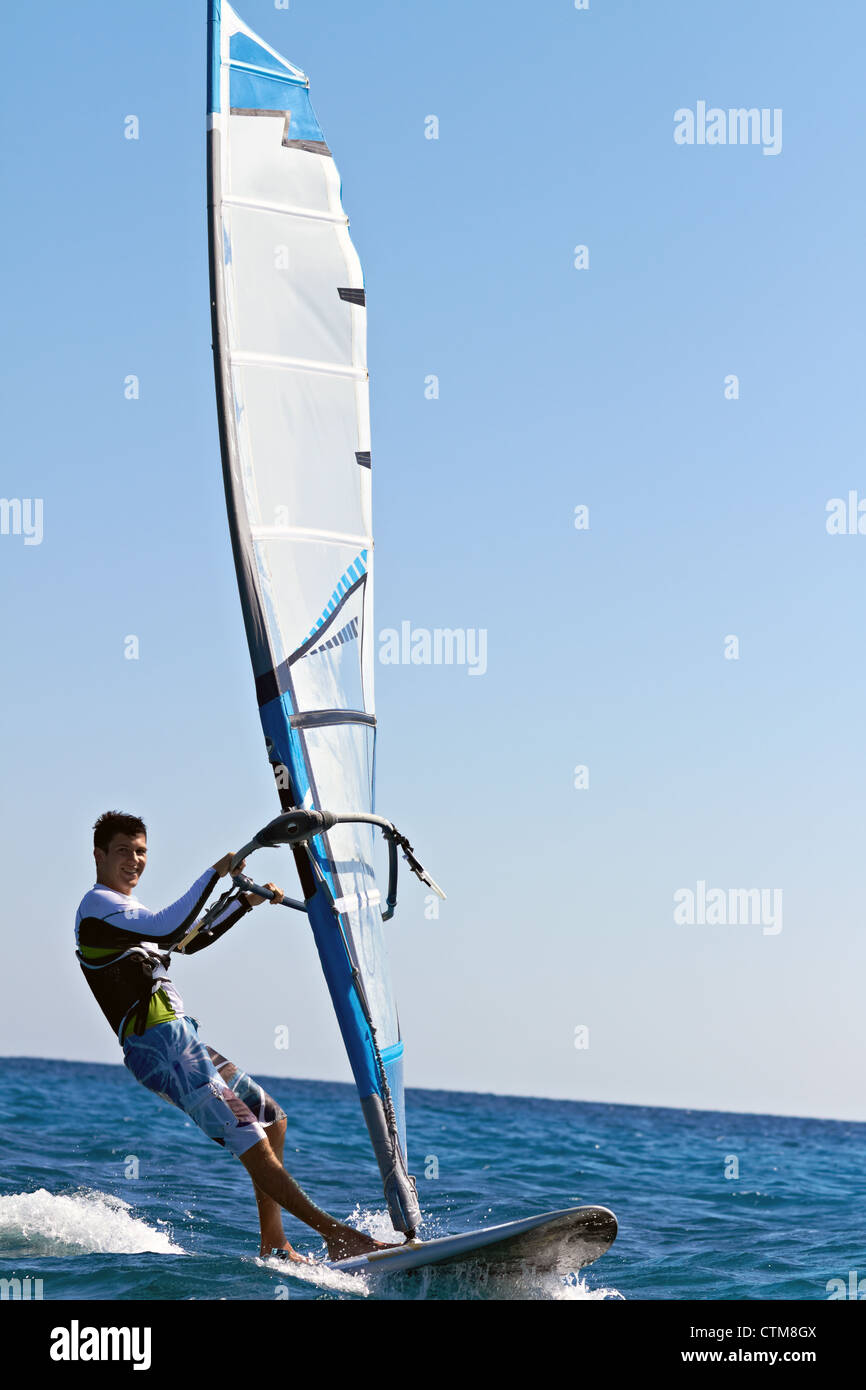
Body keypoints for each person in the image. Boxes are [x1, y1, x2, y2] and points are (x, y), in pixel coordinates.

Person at [75, 810, 392, 1262]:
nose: (134, 860)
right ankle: (336, 1236)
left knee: (271, 1118)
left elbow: (187, 940)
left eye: (141, 851)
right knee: (249, 1135)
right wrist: (214, 873)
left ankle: (274, 1242)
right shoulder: (99, 906)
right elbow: (168, 925)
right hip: (159, 1047)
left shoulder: (128, 917)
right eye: (123, 851)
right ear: (99, 856)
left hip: (182, 1041)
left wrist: (241, 901)